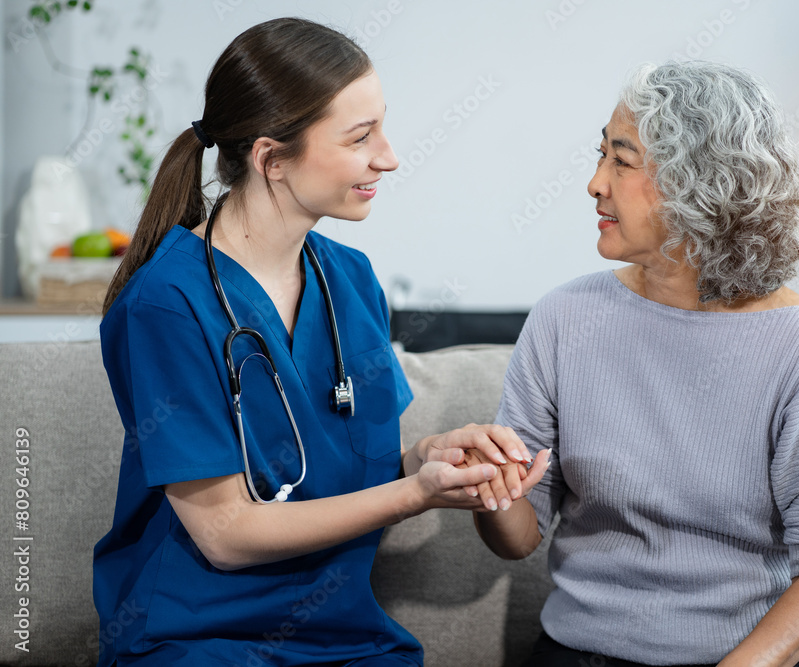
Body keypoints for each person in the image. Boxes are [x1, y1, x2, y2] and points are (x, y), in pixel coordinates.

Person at [94, 18, 547, 666]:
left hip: (345, 638)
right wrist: (415, 493)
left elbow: (330, 470)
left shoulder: (351, 280)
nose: (389, 156)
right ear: (272, 158)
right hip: (195, 639)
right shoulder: (167, 303)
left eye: (381, 129)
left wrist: (426, 460)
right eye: (361, 138)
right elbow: (224, 533)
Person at [465, 61, 799, 666]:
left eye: (621, 160)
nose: (593, 183)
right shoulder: (564, 317)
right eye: (600, 156)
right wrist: (491, 487)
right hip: (579, 654)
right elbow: (520, 538)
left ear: (699, 183)